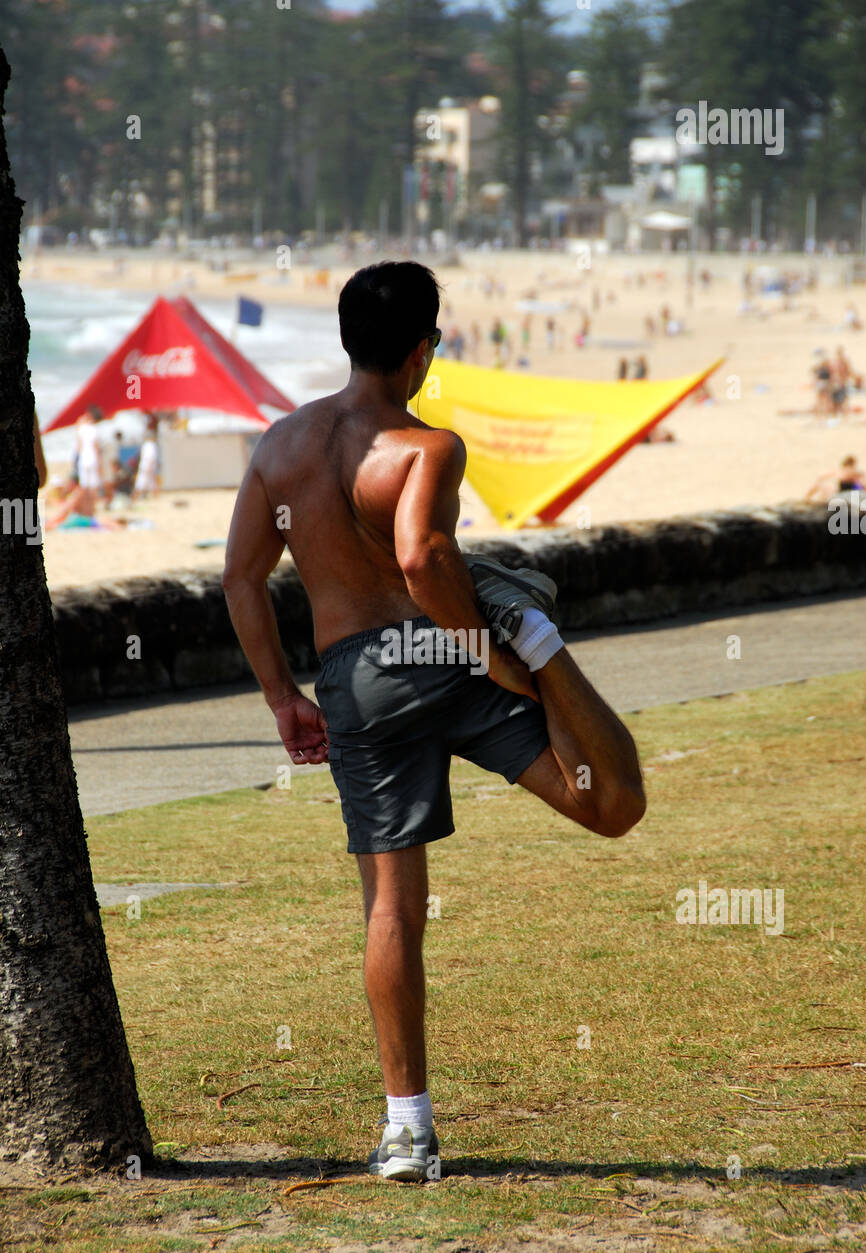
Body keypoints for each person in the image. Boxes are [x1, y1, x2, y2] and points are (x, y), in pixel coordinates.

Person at [222, 261, 645, 1183]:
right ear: (420, 350)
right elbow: (420, 556)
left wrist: (283, 697)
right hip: (444, 657)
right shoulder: (426, 447)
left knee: (392, 907)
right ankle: (539, 639)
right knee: (608, 803)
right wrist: (496, 655)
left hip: (352, 682)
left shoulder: (279, 447)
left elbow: (242, 580)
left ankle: (406, 1130)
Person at [133, 428, 160, 499]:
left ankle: (136, 496)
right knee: (150, 481)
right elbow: (150, 457)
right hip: (148, 466)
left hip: (147, 466)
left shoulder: (148, 445)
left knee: (142, 481)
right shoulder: (150, 445)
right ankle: (155, 496)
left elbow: (150, 457)